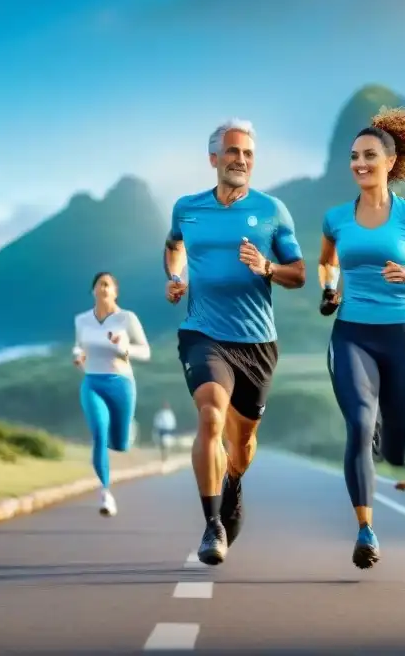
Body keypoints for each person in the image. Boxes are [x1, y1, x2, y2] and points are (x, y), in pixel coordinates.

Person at [317, 107, 405, 569]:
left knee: (398, 451)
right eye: (354, 155)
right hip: (351, 334)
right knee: (358, 426)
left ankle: (384, 434)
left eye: (369, 155)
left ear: (390, 162)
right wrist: (330, 289)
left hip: (401, 335)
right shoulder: (336, 217)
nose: (359, 163)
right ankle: (365, 530)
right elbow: (326, 262)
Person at [164, 118, 306, 565]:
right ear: (214, 159)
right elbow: (173, 245)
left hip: (257, 343)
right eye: (232, 152)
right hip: (203, 334)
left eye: (247, 154)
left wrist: (266, 268)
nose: (241, 160)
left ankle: (235, 485)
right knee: (210, 416)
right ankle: (212, 525)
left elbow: (299, 274)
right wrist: (174, 275)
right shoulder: (187, 208)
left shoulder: (272, 211)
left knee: (241, 445)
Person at [72, 271, 151, 517]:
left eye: (108, 285)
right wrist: (78, 355)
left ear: (115, 291)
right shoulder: (82, 320)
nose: (104, 289)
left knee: (120, 443)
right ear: (93, 290)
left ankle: (129, 427)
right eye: (99, 284)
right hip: (92, 383)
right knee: (99, 434)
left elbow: (146, 352)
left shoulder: (127, 318)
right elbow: (79, 344)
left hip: (121, 383)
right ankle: (105, 493)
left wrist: (123, 348)